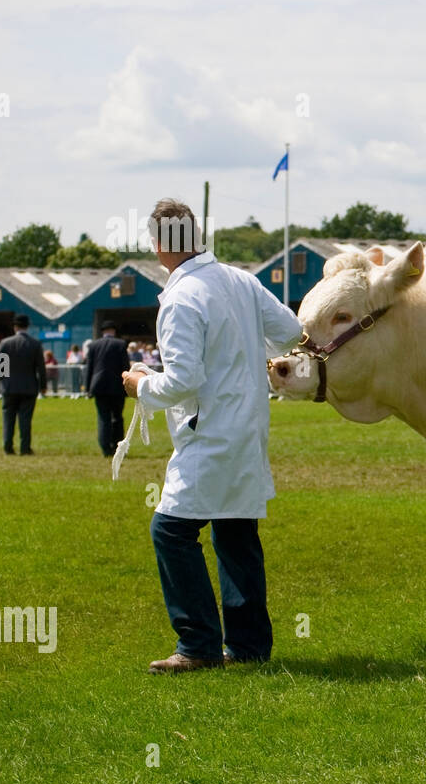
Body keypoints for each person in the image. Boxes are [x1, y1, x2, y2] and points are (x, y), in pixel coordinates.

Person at [122, 198, 302, 675]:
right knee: (236, 532)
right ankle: (248, 646)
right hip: (248, 428)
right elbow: (292, 330)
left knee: (171, 531)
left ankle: (198, 644)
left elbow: (182, 380)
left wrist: (141, 385)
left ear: (160, 245)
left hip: (210, 432)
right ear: (196, 235)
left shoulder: (181, 297)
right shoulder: (242, 281)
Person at [0, 314, 47, 455]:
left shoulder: (5, 343)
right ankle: (25, 448)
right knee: (25, 420)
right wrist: (43, 386)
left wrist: (4, 380)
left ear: (15, 326)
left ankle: (8, 447)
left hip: (9, 387)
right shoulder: (35, 344)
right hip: (29, 387)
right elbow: (41, 368)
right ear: (27, 326)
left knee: (8, 419)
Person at [85, 320, 129, 456]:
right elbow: (125, 366)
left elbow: (89, 368)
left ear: (102, 331)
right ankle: (117, 446)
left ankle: (105, 447)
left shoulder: (93, 345)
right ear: (114, 331)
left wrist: (88, 388)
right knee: (117, 417)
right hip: (117, 387)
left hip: (99, 386)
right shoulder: (120, 344)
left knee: (103, 417)